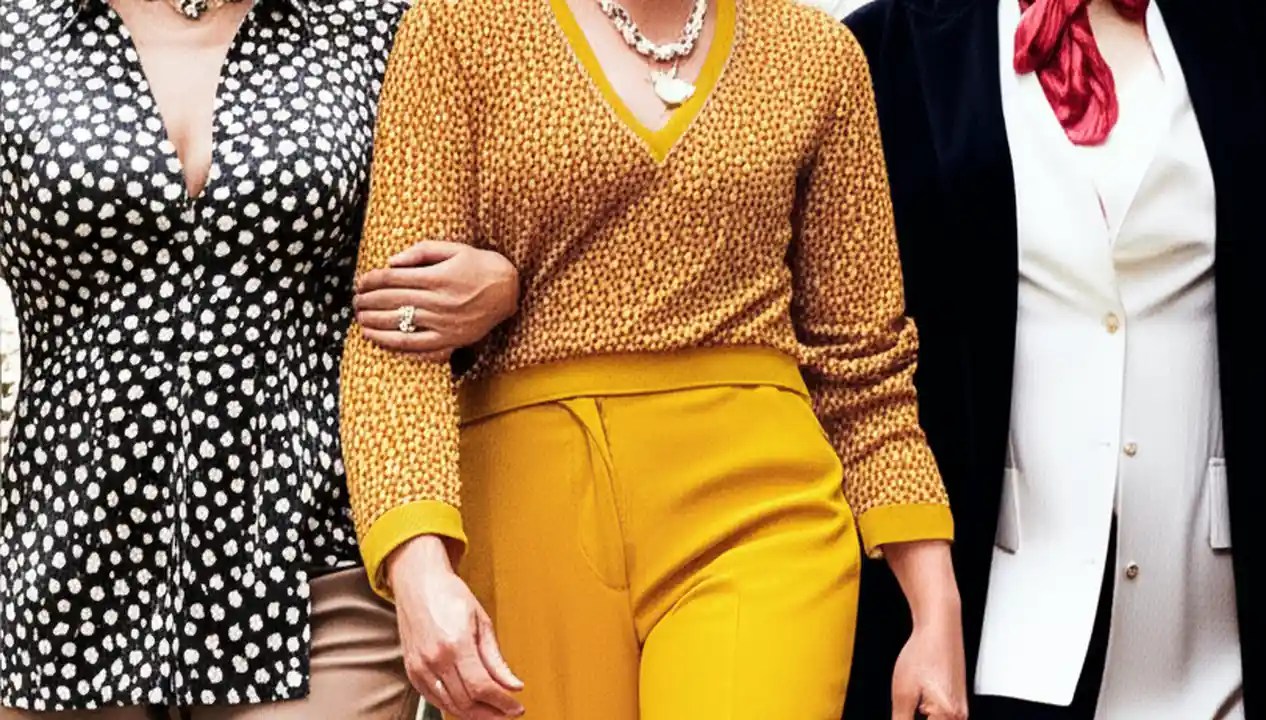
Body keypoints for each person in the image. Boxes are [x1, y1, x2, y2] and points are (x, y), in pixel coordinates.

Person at [340, 0, 969, 717]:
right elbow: (394, 327)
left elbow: (864, 363)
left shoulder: (817, 54)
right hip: (524, 514)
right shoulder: (461, 29)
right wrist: (419, 569)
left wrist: (935, 607)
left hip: (761, 511)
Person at [0, 0, 519, 716]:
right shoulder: (18, 33)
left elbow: (517, 211)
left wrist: (506, 284)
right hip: (66, 571)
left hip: (315, 562)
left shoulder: (377, 26)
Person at [843, 0, 1266, 717]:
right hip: (1004, 633)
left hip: (1212, 636)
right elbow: (857, 362)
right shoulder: (884, 50)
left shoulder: (1250, 35)